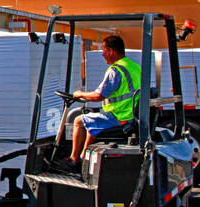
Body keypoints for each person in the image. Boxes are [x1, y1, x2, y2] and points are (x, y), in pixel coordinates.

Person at [61, 35, 142, 167]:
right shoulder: (134, 66)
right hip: (130, 114)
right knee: (92, 122)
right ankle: (83, 159)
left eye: (104, 51)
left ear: (111, 51)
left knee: (78, 121)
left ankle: (73, 159)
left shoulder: (116, 70)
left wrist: (79, 94)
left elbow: (99, 96)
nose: (103, 54)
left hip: (120, 116)